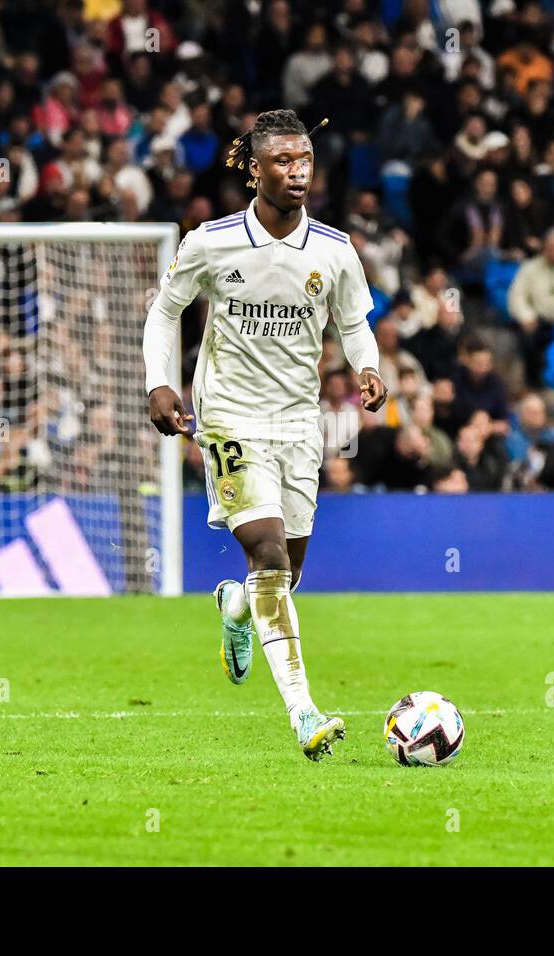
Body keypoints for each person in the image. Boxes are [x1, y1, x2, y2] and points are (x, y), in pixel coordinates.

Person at [143, 109, 385, 761]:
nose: (296, 170)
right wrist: (157, 385)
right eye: (281, 160)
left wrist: (368, 367)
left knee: (287, 569)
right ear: (254, 169)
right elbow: (165, 312)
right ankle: (304, 713)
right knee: (270, 555)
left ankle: (236, 607)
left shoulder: (334, 250)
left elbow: (355, 321)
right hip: (227, 415)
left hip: (298, 423)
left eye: (304, 159)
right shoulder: (211, 242)